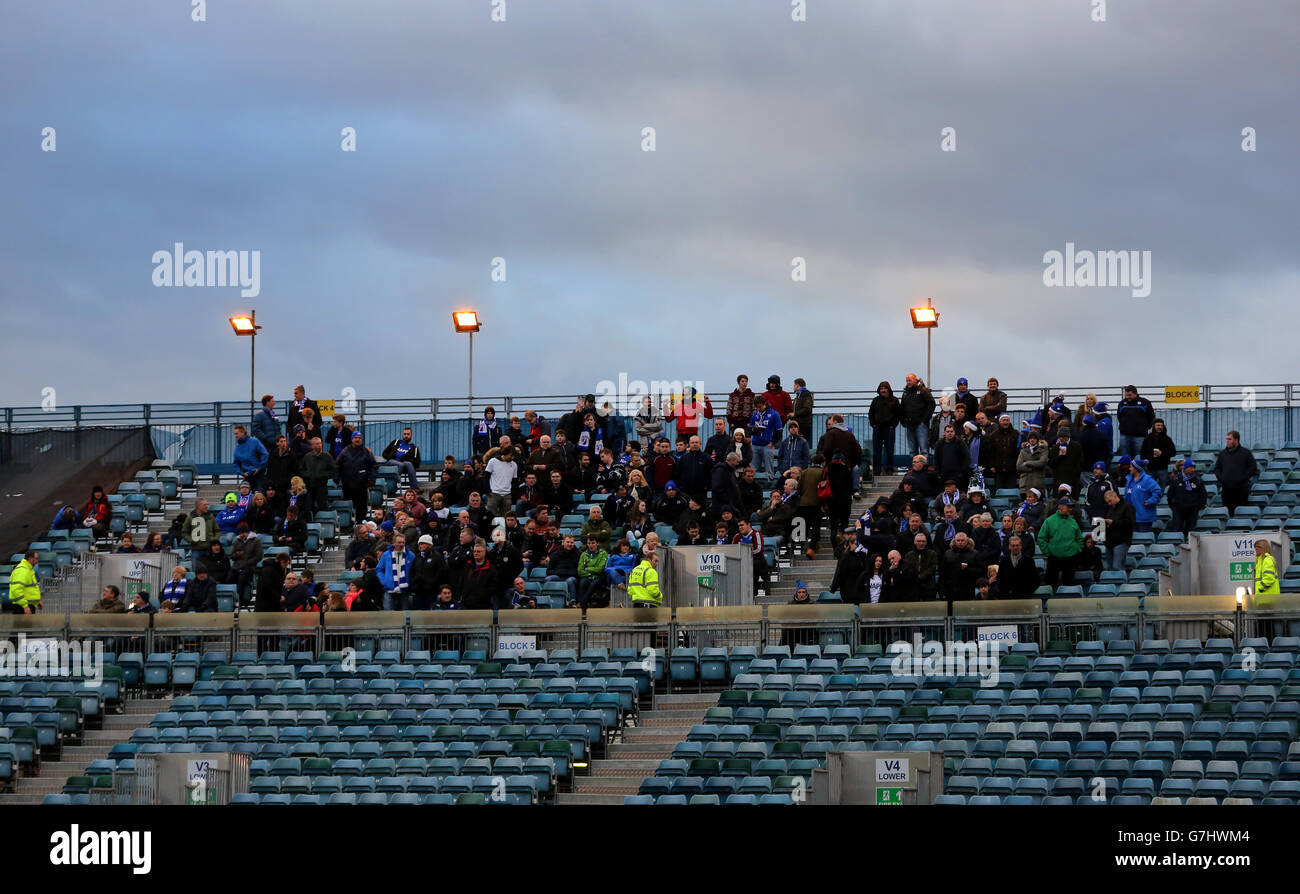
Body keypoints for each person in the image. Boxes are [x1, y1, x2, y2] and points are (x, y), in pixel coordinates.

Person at [1038, 497, 1083, 590]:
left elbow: (1079, 538)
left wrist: (1076, 549)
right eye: (1068, 507)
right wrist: (1049, 552)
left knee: (1069, 586)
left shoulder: (1073, 521)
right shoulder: (1049, 521)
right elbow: (1041, 538)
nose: (1071, 509)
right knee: (1050, 585)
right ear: (1061, 507)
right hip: (1054, 559)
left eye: (1071, 507)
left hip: (1070, 559)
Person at [1214, 430, 1259, 518]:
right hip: (1226, 490)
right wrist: (1222, 478)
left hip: (1241, 489)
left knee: (1241, 514)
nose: (1227, 441)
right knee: (1228, 514)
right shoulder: (1222, 454)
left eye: (1229, 439)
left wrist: (1243, 478)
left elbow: (1253, 467)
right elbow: (1217, 468)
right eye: (1226, 439)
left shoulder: (1246, 453)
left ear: (1236, 440)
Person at [338, 430, 378, 523]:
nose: (357, 440)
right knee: (348, 506)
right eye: (355, 438)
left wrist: (372, 478)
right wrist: (337, 477)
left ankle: (361, 525)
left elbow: (374, 466)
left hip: (362, 485)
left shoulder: (367, 451)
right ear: (352, 439)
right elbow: (337, 464)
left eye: (359, 438)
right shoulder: (345, 451)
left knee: (362, 507)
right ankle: (349, 524)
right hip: (348, 485)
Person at [868, 381, 901, 478]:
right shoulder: (875, 400)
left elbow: (898, 414)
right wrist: (873, 424)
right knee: (876, 450)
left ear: (889, 389)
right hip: (877, 428)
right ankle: (877, 470)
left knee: (889, 450)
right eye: (881, 388)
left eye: (885, 388)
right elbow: (871, 413)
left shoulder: (894, 400)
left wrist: (893, 425)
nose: (883, 390)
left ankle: (889, 469)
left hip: (889, 429)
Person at [1167, 459, 1208, 535]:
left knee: (1191, 532)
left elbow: (1203, 494)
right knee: (1177, 530)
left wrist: (1198, 506)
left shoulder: (1198, 479)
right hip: (1178, 509)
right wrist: (1173, 506)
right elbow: (1170, 494)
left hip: (1192, 510)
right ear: (1185, 468)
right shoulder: (1176, 479)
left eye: (1194, 467)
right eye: (1190, 467)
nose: (1193, 469)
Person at [1115, 385, 1156, 460]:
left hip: (1140, 436)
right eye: (1126, 395)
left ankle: (1138, 471)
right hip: (1125, 436)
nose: (1128, 397)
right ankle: (1126, 471)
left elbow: (1151, 417)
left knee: (1139, 457)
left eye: (1130, 395)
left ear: (1135, 393)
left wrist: (1146, 427)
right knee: (1125, 458)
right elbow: (1119, 417)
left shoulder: (1145, 402)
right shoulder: (1122, 403)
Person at [900, 374, 935, 458]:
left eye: (910, 380)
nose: (908, 382)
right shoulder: (905, 393)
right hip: (909, 424)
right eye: (907, 380)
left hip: (921, 425)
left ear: (916, 380)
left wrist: (924, 420)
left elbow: (932, 404)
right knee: (912, 450)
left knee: (924, 450)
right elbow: (902, 407)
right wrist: (903, 421)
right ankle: (914, 468)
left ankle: (924, 468)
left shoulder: (923, 390)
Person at [1125, 458, 1163, 533]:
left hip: (1143, 517)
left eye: (1131, 467)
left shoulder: (1147, 480)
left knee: (1143, 539)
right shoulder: (1129, 479)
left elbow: (1158, 491)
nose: (1129, 468)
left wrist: (1150, 501)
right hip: (1131, 516)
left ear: (1136, 468)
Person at [230, 524, 264, 608]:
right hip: (237, 566)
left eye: (243, 533)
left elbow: (259, 556)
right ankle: (231, 600)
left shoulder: (256, 541)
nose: (241, 535)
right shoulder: (237, 541)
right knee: (229, 577)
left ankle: (239, 600)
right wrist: (237, 555)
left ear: (248, 532)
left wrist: (247, 562)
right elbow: (232, 556)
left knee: (241, 579)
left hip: (250, 566)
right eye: (240, 533)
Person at [1101, 488, 1135, 572]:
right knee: (1110, 568)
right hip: (1109, 542)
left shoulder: (1127, 506)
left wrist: (1113, 522)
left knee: (1117, 567)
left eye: (1110, 501)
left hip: (1122, 541)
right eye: (1107, 502)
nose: (1109, 503)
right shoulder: (1110, 508)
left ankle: (1121, 584)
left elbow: (1129, 523)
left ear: (1115, 496)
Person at [1140, 418, 1177, 489]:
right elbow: (1143, 453)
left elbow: (1173, 452)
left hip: (1163, 468)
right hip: (1150, 468)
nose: (1160, 427)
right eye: (1158, 425)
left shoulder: (1167, 439)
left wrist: (1162, 453)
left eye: (1161, 425)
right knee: (1150, 488)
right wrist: (1145, 464)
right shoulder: (1147, 438)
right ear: (1154, 426)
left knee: (1163, 488)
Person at [232, 424, 269, 493]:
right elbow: (236, 463)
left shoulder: (254, 441)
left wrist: (259, 468)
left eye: (236, 434)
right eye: (234, 434)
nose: (235, 436)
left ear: (242, 432)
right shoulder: (237, 448)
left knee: (260, 495)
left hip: (258, 474)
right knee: (245, 496)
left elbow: (265, 454)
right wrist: (241, 473)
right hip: (247, 476)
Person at [576, 535, 609, 609]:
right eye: (589, 543)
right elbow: (580, 571)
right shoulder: (583, 555)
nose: (591, 545)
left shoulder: (603, 553)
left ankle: (582, 603)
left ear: (597, 543)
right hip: (588, 577)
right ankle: (583, 604)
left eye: (593, 543)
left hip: (599, 577)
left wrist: (588, 569)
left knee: (594, 583)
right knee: (582, 582)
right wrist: (591, 572)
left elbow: (600, 569)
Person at [6, 550, 42, 614]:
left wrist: (37, 602)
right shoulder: (22, 571)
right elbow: (16, 590)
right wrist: (25, 606)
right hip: (22, 607)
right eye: (36, 559)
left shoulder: (28, 569)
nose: (37, 561)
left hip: (27, 605)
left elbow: (29, 589)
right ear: (30, 559)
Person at [1016, 430, 1048, 497]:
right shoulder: (1023, 451)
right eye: (1030, 438)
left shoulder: (1043, 449)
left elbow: (1041, 463)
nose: (1032, 440)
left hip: (1038, 485)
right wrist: (1034, 467)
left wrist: (1027, 463)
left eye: (1034, 438)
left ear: (1037, 439)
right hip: (1025, 485)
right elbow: (1019, 467)